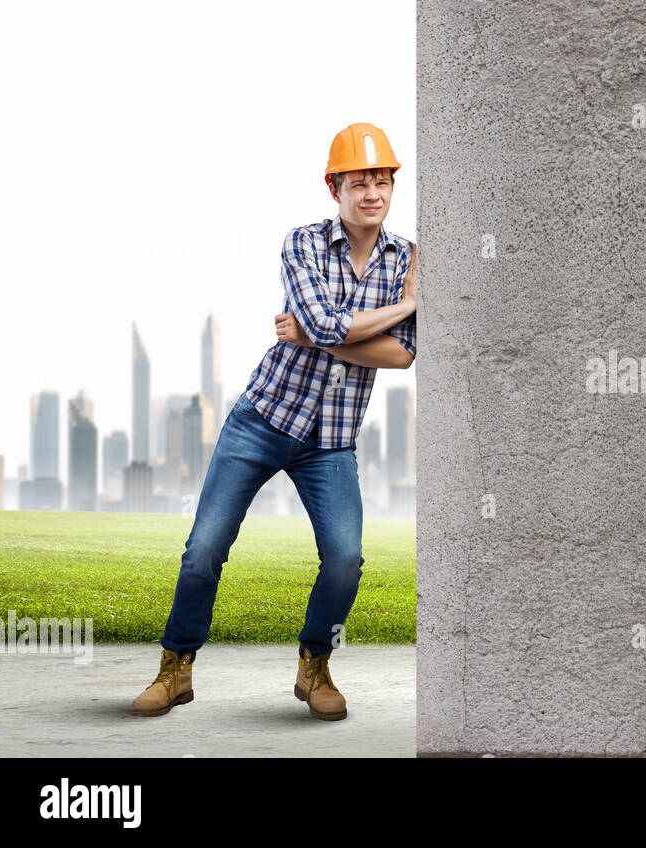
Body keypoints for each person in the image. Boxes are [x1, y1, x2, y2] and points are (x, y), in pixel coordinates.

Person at [131, 122, 417, 721]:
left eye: (383, 181)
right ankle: (175, 667)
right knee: (204, 548)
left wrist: (327, 333)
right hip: (261, 420)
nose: (372, 192)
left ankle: (315, 665)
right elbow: (328, 323)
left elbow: (403, 353)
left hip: (330, 442)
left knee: (345, 560)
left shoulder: (407, 260)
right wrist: (399, 308)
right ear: (333, 188)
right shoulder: (303, 243)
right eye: (358, 181)